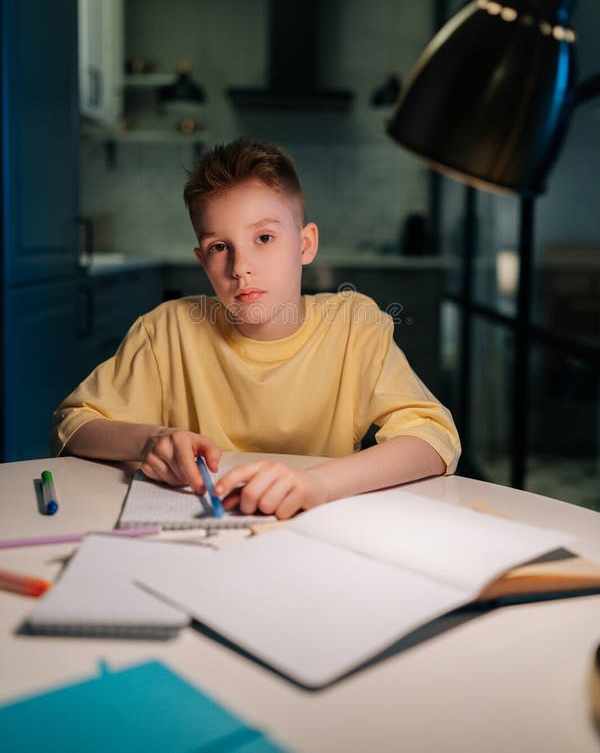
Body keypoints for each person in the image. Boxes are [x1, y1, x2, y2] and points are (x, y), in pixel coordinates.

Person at [52, 138, 460, 519]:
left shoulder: (355, 326)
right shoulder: (166, 331)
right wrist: (149, 441)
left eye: (264, 237)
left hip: (319, 533)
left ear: (305, 245)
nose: (240, 266)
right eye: (219, 247)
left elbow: (433, 438)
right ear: (202, 260)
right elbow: (72, 425)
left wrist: (317, 484)